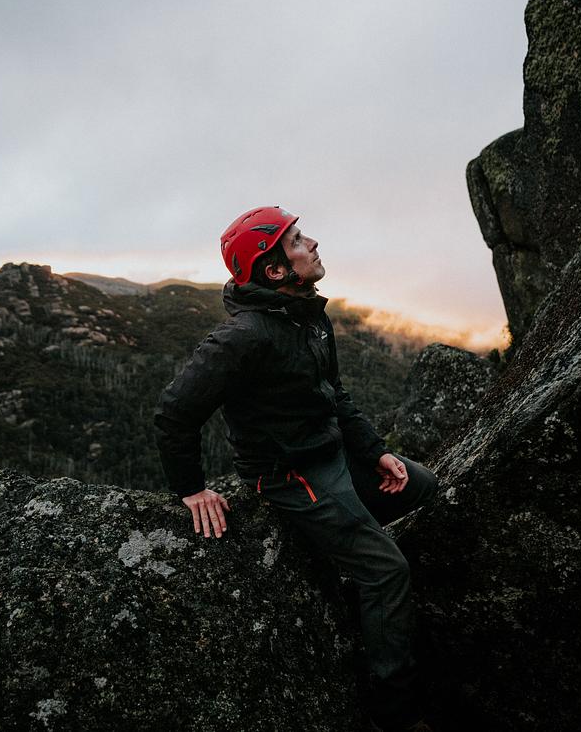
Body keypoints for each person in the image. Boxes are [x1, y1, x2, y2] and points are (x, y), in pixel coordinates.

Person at [153, 205, 438, 732]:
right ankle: (394, 712)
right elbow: (175, 412)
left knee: (423, 485)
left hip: (333, 455)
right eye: (298, 241)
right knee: (386, 569)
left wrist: (375, 450)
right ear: (276, 270)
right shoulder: (244, 338)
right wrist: (190, 489)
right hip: (291, 476)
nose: (313, 244)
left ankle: (352, 558)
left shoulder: (306, 313)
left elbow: (333, 394)